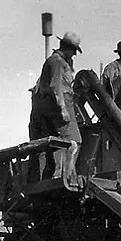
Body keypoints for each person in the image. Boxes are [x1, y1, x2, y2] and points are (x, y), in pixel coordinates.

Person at [28, 31, 82, 182]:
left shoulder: (54, 61)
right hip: (57, 106)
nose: (74, 55)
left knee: (50, 145)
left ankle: (50, 177)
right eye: (73, 51)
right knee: (74, 140)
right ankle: (66, 177)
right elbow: (56, 86)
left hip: (48, 107)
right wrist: (63, 109)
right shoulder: (57, 62)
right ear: (68, 48)